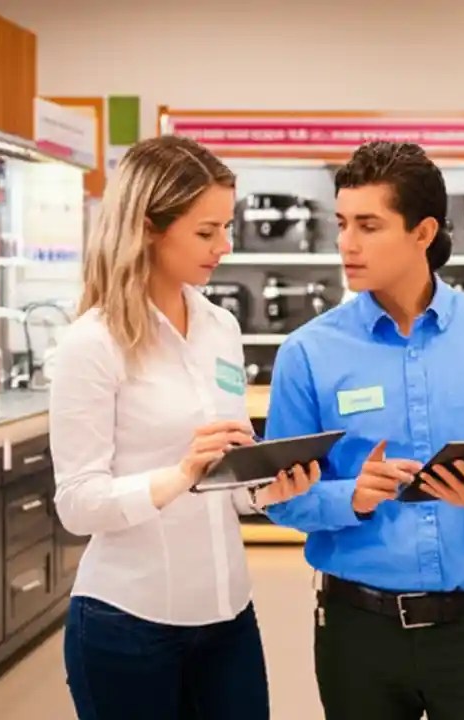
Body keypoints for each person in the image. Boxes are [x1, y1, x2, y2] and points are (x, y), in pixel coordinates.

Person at [262, 140, 464, 720]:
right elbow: (279, 497)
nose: (346, 243)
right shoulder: (308, 353)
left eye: (369, 225)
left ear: (423, 232)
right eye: (342, 223)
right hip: (358, 635)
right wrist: (347, 496)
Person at [49, 135, 319, 720]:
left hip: (227, 617)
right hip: (127, 623)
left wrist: (268, 487)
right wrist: (177, 475)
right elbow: (76, 504)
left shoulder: (220, 326)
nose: (225, 245)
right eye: (206, 231)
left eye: (227, 226)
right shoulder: (92, 344)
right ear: (149, 226)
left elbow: (225, 484)